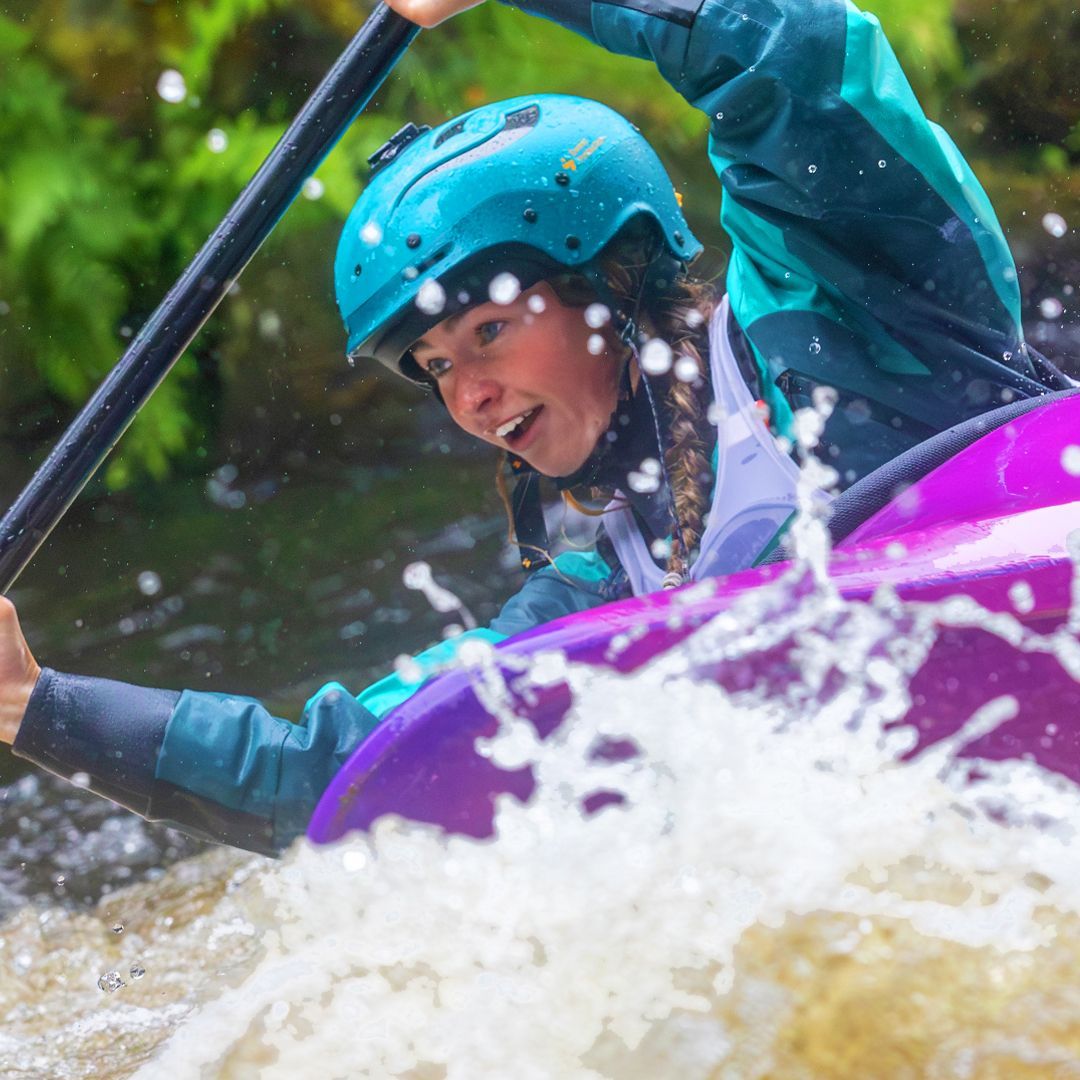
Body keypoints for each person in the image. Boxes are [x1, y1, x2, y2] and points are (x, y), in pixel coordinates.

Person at [0, 0, 1068, 855]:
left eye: (491, 327)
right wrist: (32, 705)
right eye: (433, 367)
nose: (466, 395)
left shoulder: (849, 301)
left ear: (611, 272)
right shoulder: (608, 593)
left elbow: (794, 57)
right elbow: (339, 774)